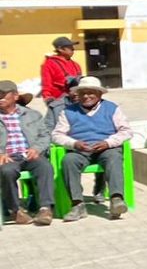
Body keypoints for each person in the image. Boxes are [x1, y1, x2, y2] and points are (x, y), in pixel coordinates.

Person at [51, 76, 131, 221]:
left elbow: (126, 131)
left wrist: (108, 142)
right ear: (78, 95)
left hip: (106, 149)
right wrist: (74, 143)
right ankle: (77, 204)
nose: (87, 96)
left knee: (114, 157)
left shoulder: (112, 108)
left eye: (91, 93)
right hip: (80, 150)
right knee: (68, 160)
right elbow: (56, 135)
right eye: (83, 93)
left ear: (100, 94)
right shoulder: (68, 112)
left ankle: (116, 199)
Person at [0, 81, 54, 225]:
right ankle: (16, 210)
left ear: (15, 96)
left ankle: (45, 208)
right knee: (7, 171)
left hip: (29, 154)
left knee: (45, 167)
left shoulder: (32, 115)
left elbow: (45, 135)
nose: (0, 98)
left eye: (3, 95)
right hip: (8, 158)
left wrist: (36, 148)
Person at [40, 36, 82, 134]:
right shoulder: (49, 64)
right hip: (59, 102)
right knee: (59, 127)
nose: (73, 50)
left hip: (76, 100)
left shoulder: (76, 65)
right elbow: (46, 83)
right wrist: (48, 98)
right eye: (70, 48)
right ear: (60, 49)